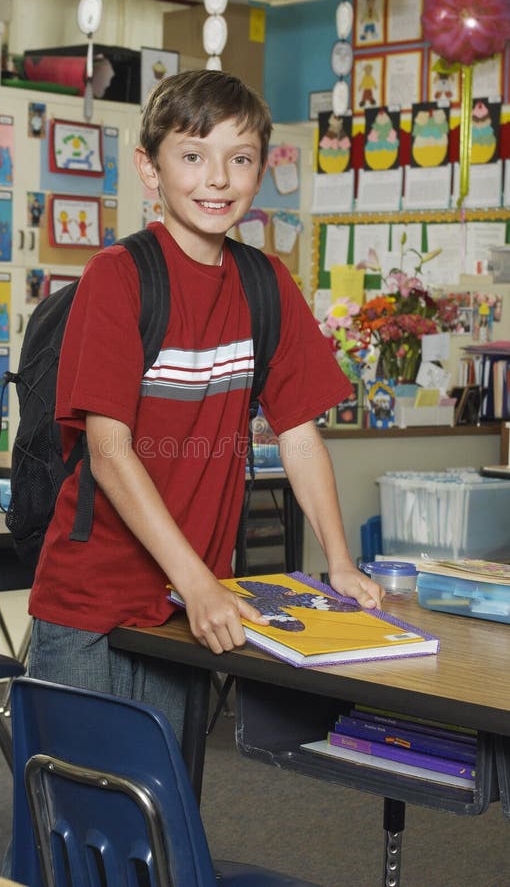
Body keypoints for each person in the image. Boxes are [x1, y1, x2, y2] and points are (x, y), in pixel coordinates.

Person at [26, 69, 381, 740]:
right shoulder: (119, 276)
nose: (217, 179)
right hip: (93, 599)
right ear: (150, 169)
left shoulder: (266, 284)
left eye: (239, 159)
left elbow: (300, 435)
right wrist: (197, 583)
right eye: (192, 156)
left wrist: (338, 560)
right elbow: (108, 452)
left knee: (165, 794)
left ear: (260, 170)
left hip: (190, 601)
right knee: (75, 795)